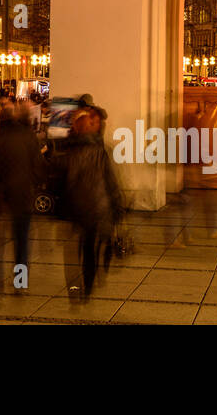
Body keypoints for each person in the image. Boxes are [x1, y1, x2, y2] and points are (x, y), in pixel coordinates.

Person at [57, 107, 124, 300]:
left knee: (80, 247)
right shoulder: (101, 151)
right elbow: (110, 181)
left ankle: (79, 287)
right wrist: (118, 206)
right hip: (98, 205)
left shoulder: (67, 151)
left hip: (77, 206)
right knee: (92, 246)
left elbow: (60, 181)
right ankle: (89, 283)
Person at [0, 102, 45, 292]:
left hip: (4, 197)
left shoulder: (1, 137)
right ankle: (19, 283)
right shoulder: (29, 136)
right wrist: (34, 184)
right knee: (21, 242)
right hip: (23, 195)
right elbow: (38, 167)